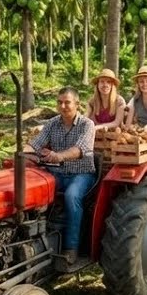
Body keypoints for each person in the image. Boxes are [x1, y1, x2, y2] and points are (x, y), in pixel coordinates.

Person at [28, 86, 95, 265]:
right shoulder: (52, 123)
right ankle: (35, 240)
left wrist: (60, 155)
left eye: (67, 102)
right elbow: (36, 144)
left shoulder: (87, 125)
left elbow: (80, 149)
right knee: (33, 192)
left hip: (81, 173)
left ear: (77, 104)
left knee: (72, 196)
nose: (63, 106)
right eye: (60, 102)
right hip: (56, 173)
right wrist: (22, 152)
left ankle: (71, 248)